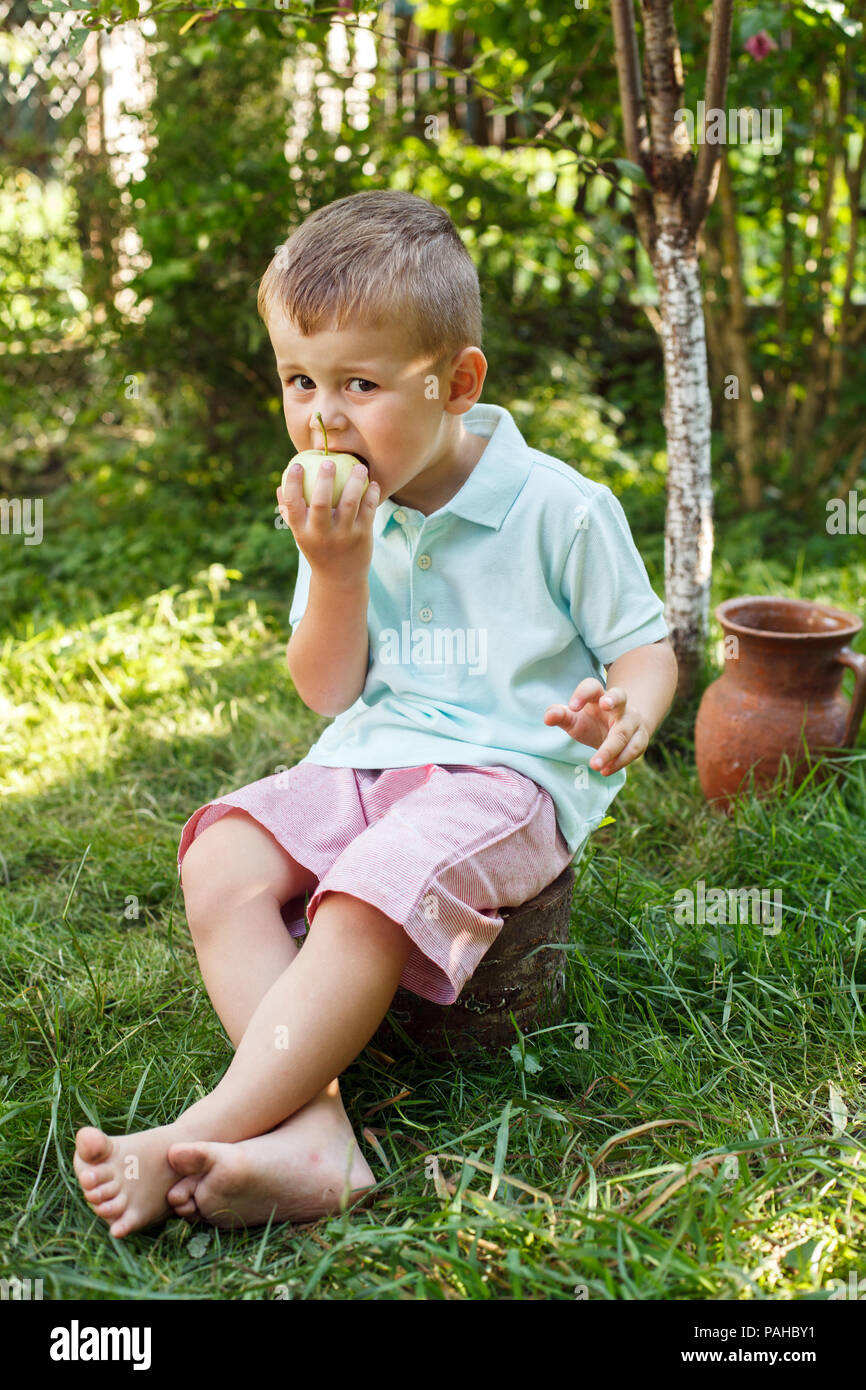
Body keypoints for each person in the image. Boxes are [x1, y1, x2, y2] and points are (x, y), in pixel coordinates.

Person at [73, 189, 678, 1237]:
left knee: (366, 891)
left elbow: (644, 646)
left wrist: (623, 711)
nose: (321, 417)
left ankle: (192, 1130)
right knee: (220, 857)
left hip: (504, 774)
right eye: (298, 381)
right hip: (365, 755)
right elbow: (326, 691)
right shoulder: (339, 514)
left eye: (358, 383)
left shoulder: (558, 507)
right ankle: (313, 1132)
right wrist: (335, 568)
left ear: (457, 380)